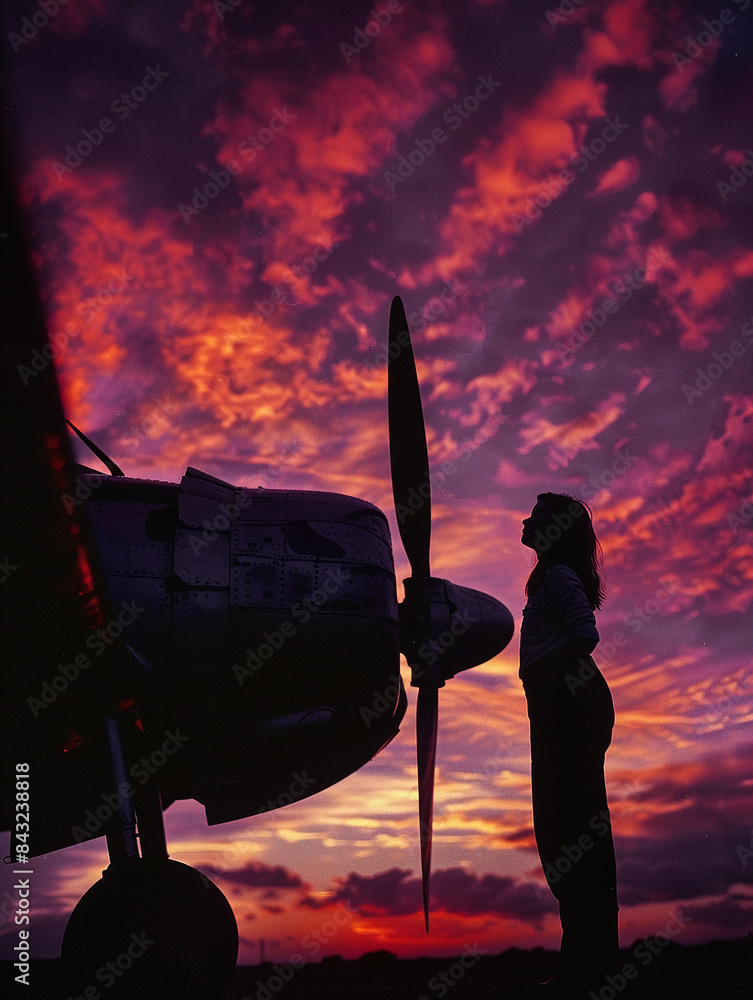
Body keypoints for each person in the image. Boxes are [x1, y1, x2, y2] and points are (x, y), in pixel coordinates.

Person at [519, 493, 619, 996]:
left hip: (569, 709)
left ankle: (591, 970)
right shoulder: (549, 580)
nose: (525, 520)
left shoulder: (558, 577)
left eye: (535, 516)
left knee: (572, 832)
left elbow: (586, 633)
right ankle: (585, 964)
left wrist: (554, 685)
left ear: (553, 529)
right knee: (565, 834)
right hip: (560, 709)